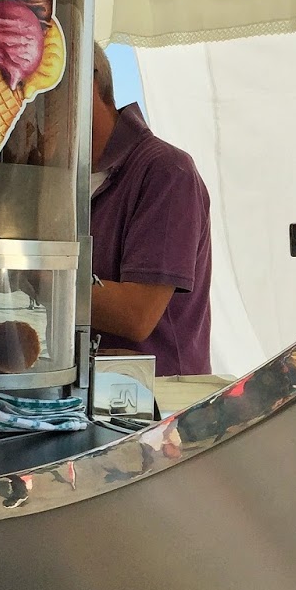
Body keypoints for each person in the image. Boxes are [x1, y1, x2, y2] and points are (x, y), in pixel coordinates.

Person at [89, 45, 212, 376]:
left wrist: (31, 275)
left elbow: (136, 314)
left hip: (159, 399)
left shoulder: (167, 171)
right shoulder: (63, 182)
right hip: (91, 394)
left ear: (85, 84)